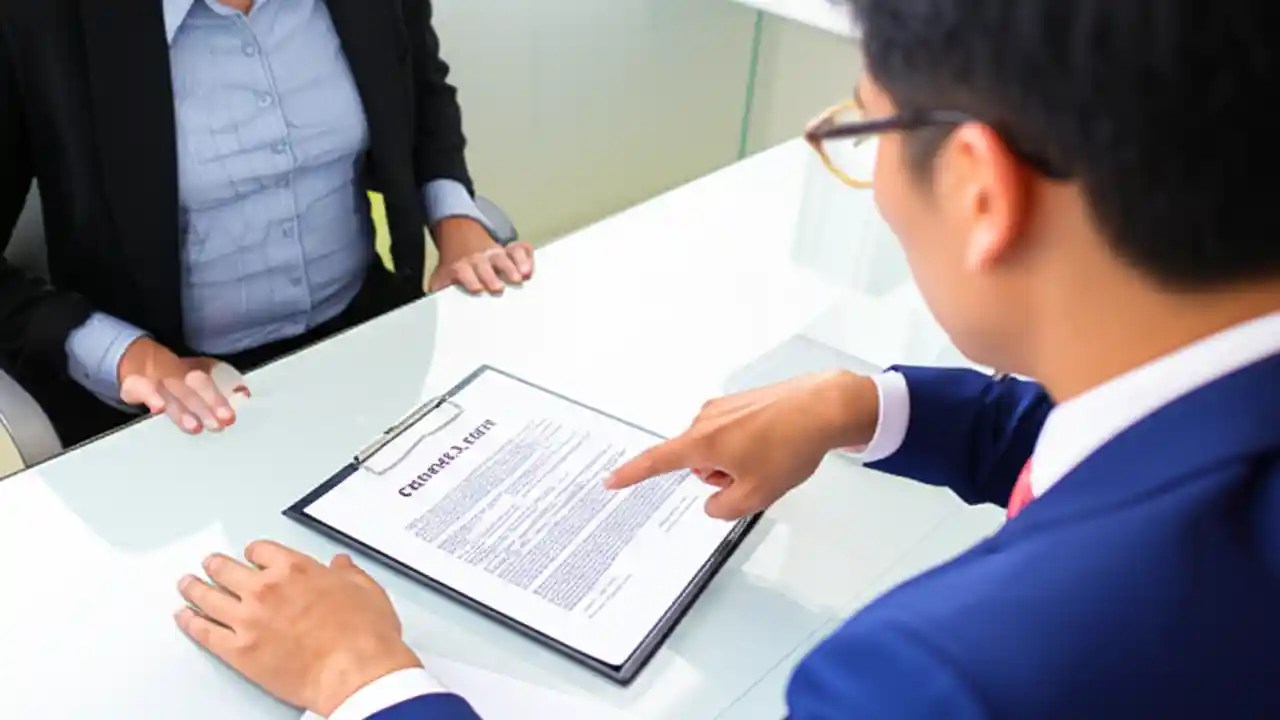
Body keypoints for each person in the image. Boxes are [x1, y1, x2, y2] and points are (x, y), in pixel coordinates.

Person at [171, 0, 1280, 717]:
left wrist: (360, 682)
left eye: (864, 130)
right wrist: (862, 405)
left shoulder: (935, 681)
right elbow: (1118, 437)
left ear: (981, 193)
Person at [0, 0, 535, 445]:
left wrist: (455, 222)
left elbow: (420, 89)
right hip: (172, 401)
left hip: (369, 338)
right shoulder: (38, 20)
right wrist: (126, 356)